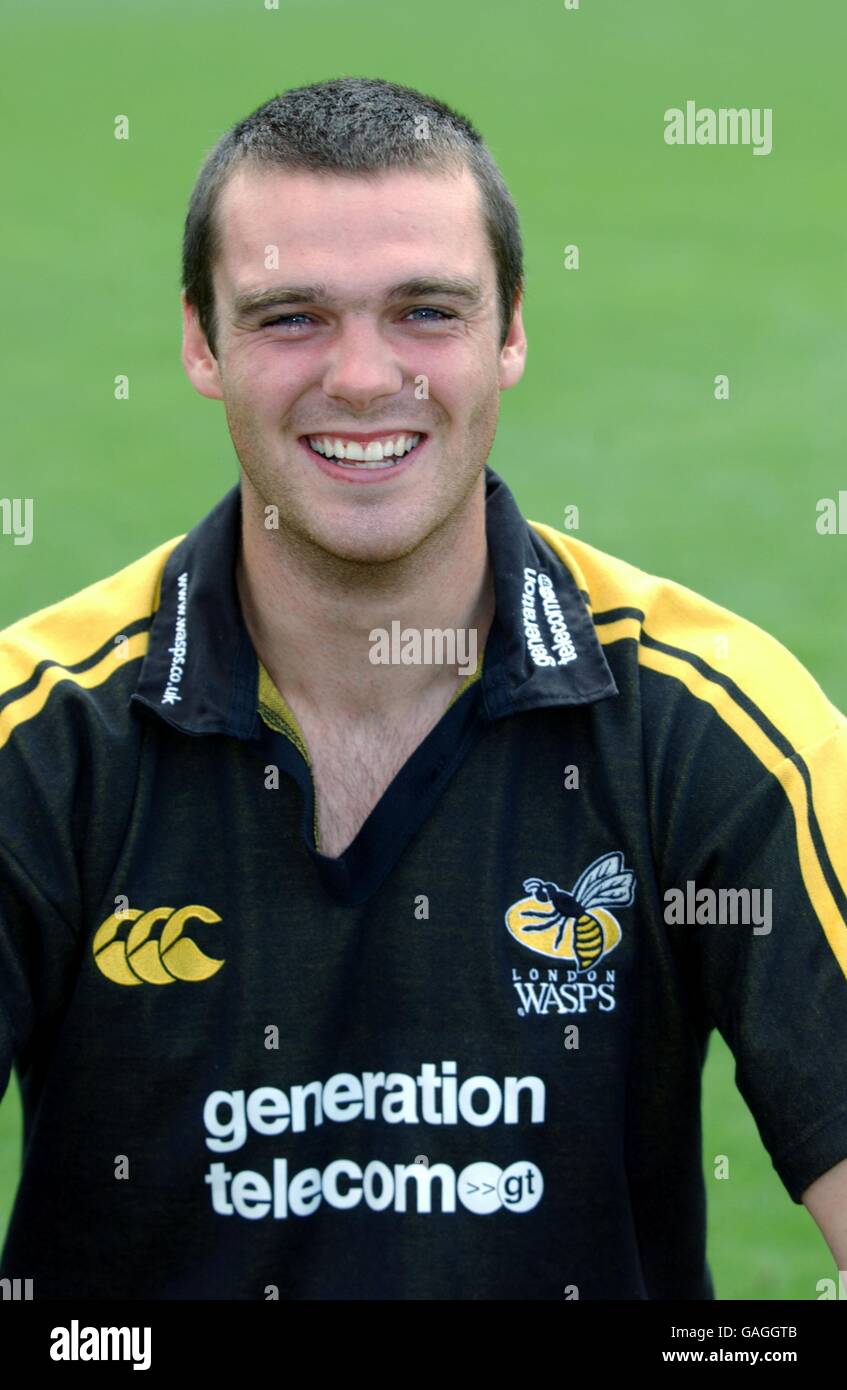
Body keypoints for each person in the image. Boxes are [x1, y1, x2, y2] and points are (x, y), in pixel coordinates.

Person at [0, 76, 845, 1301]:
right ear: (198, 340)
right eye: (291, 316)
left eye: (425, 312)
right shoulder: (41, 734)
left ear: (510, 332)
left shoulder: (715, 723)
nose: (359, 376)